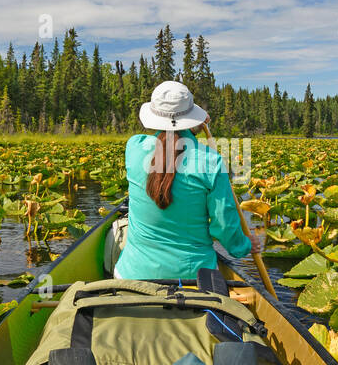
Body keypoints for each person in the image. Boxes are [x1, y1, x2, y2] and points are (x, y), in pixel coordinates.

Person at [113, 81, 263, 280]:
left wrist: (190, 126)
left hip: (132, 274)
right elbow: (224, 227)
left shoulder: (134, 147)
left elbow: (169, 149)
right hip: (193, 277)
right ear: (192, 121)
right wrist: (244, 245)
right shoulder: (211, 162)